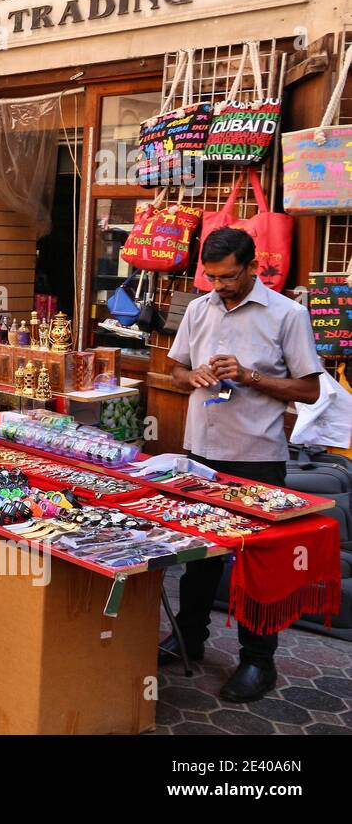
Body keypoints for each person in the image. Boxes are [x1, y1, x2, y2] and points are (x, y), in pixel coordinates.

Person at [161, 227, 323, 702]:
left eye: (229, 276)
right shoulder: (198, 308)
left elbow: (310, 390)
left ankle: (258, 662)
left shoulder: (287, 315)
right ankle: (188, 638)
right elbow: (176, 369)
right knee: (196, 557)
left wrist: (250, 376)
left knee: (257, 565)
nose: (220, 286)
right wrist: (193, 375)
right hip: (202, 451)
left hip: (256, 457)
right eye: (211, 277)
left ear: (254, 266)